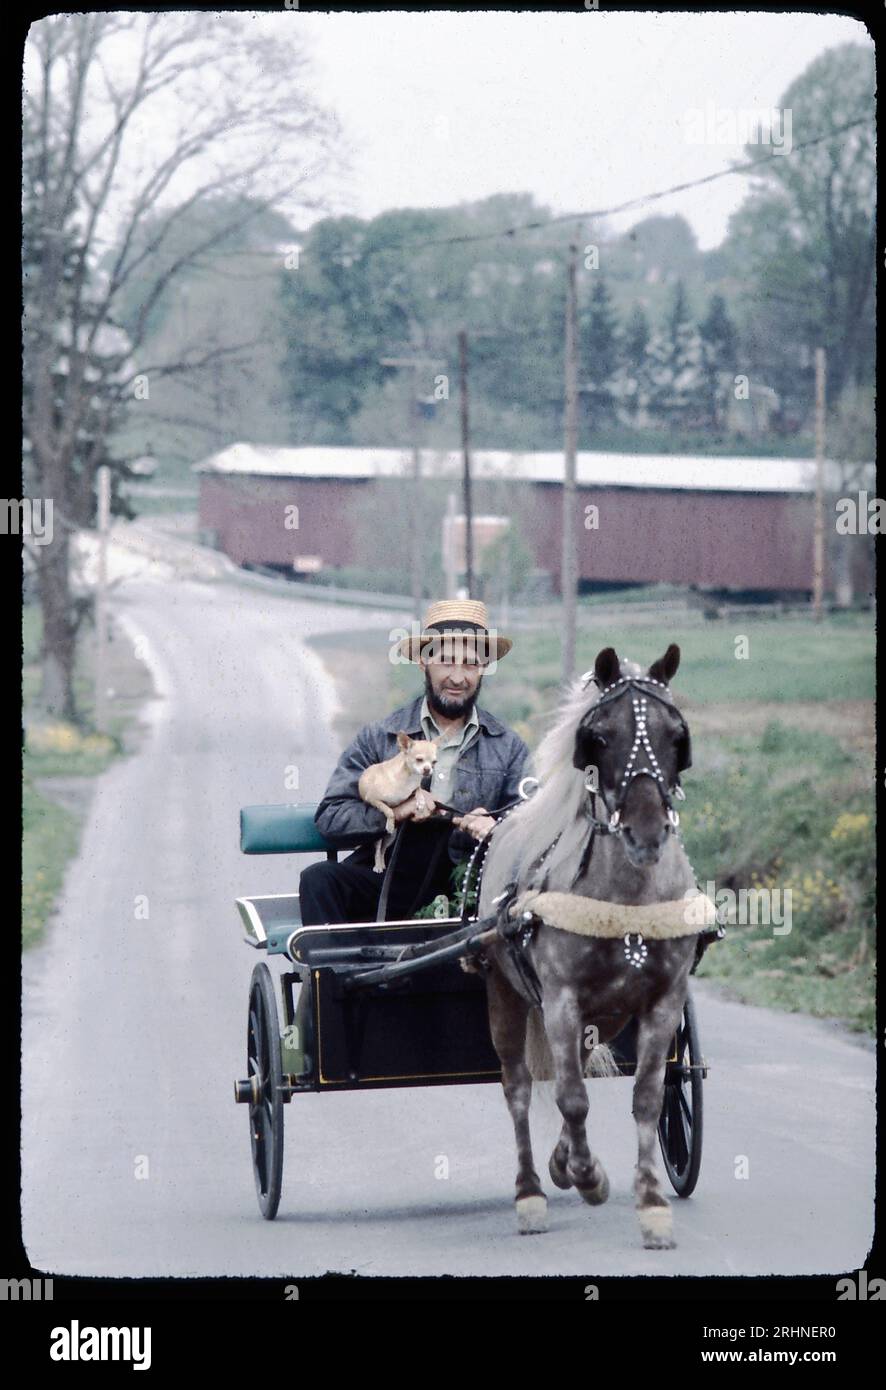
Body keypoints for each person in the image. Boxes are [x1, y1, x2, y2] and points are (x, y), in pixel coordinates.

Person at [298, 599, 529, 926]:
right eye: (446, 661)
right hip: (390, 879)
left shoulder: (508, 746)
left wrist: (497, 829)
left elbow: (534, 819)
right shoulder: (381, 736)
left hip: (469, 887)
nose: (458, 676)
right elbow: (332, 815)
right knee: (319, 880)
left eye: (470, 664)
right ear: (424, 662)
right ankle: (331, 978)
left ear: (482, 669)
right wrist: (395, 812)